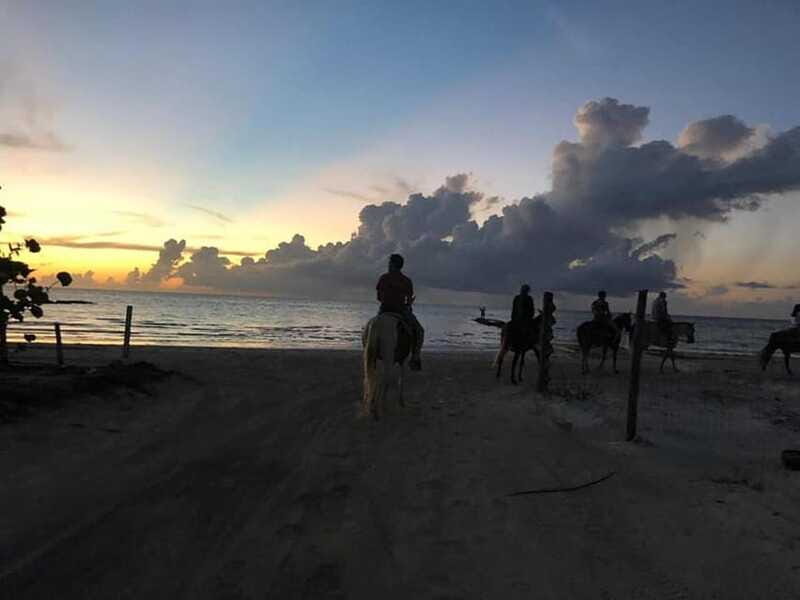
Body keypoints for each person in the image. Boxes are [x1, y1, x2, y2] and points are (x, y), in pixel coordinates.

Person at [376, 253, 424, 371]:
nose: (388, 265)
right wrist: (407, 304)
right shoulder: (406, 281)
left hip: (384, 310)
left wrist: (388, 300)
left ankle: (370, 354)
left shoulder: (383, 278)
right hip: (401, 311)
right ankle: (415, 357)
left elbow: (379, 297)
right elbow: (408, 301)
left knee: (371, 327)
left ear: (392, 264)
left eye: (389, 263)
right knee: (419, 330)